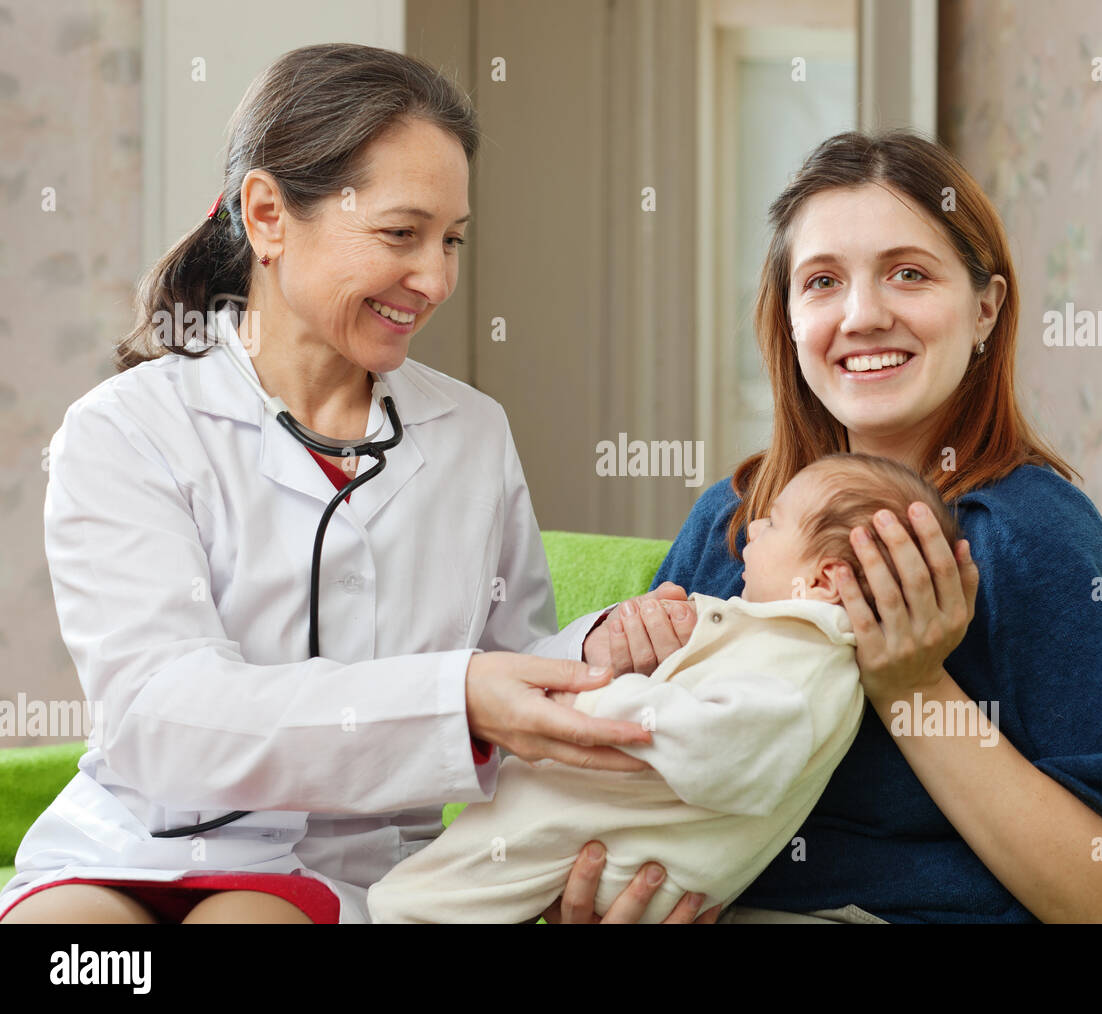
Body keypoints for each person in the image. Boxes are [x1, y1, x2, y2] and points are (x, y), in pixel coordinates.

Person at [0, 43, 713, 926]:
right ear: (267, 215)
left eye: (450, 240)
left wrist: (596, 649)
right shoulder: (125, 430)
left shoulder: (471, 435)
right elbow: (160, 717)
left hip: (345, 869)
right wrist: (454, 696)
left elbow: (516, 661)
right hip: (128, 842)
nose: (438, 279)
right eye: (400, 234)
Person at [571, 130, 1102, 923]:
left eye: (908, 274)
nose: (863, 315)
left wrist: (910, 685)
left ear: (985, 308)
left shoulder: (1035, 536)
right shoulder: (734, 521)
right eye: (822, 282)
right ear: (789, 319)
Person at [368, 453, 963, 924]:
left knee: (414, 902)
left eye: (775, 520)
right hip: (600, 836)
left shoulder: (809, 663)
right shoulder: (772, 630)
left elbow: (725, 746)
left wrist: (596, 703)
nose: (751, 526)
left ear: (824, 578)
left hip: (617, 848)